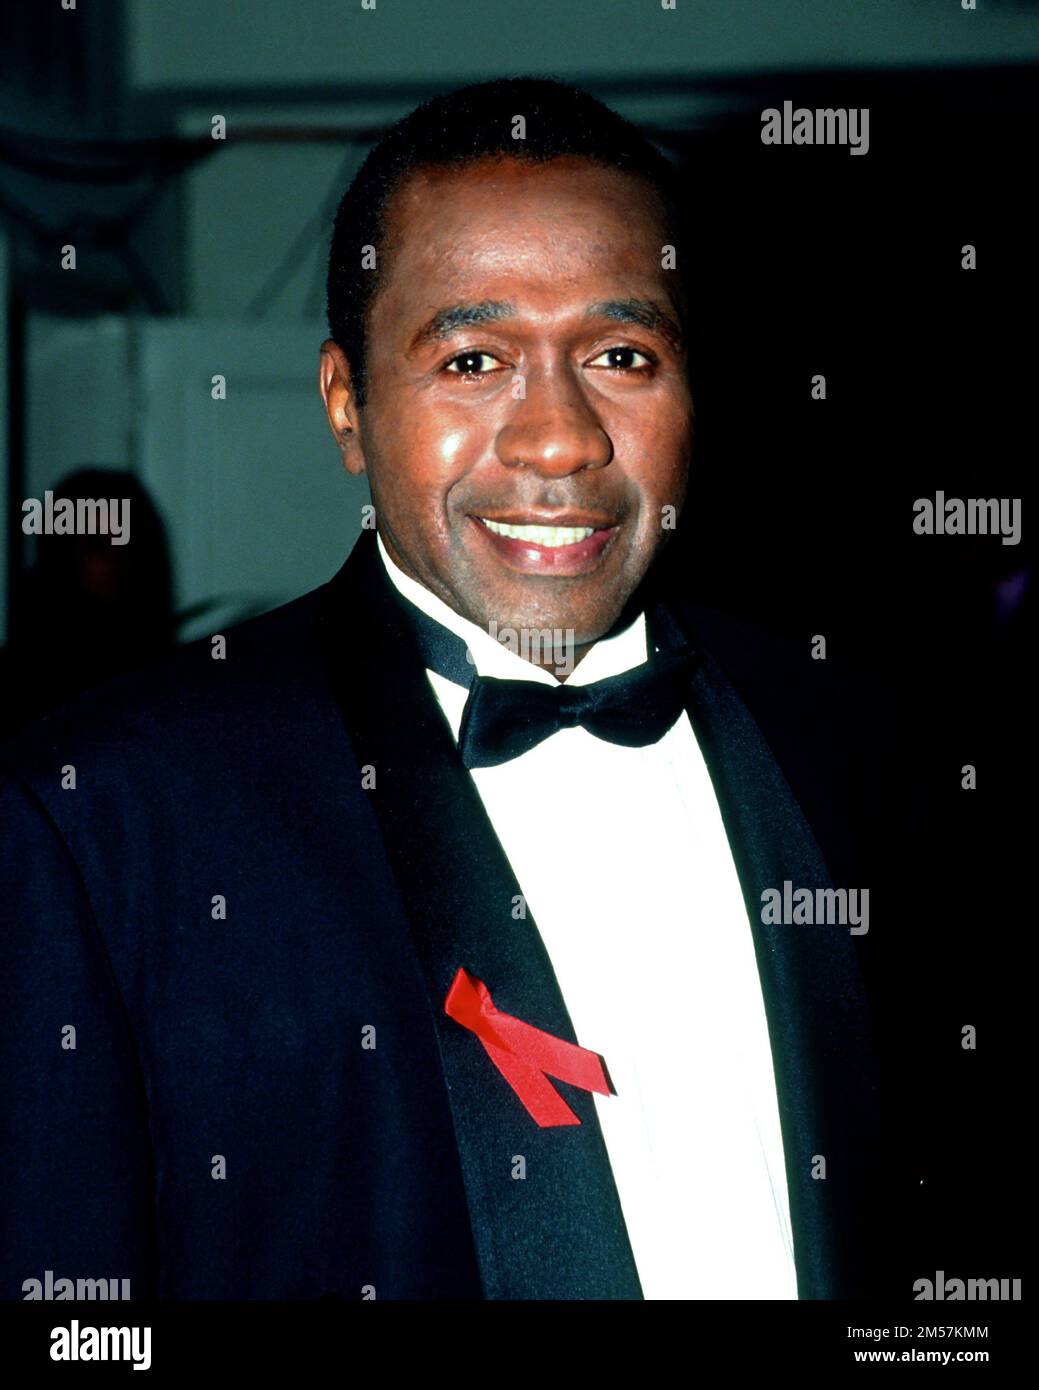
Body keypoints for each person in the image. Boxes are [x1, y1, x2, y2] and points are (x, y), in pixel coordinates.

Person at [1, 78, 917, 1301]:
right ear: (347, 406)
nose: (559, 439)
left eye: (621, 354)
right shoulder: (111, 813)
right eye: (474, 358)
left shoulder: (857, 739)